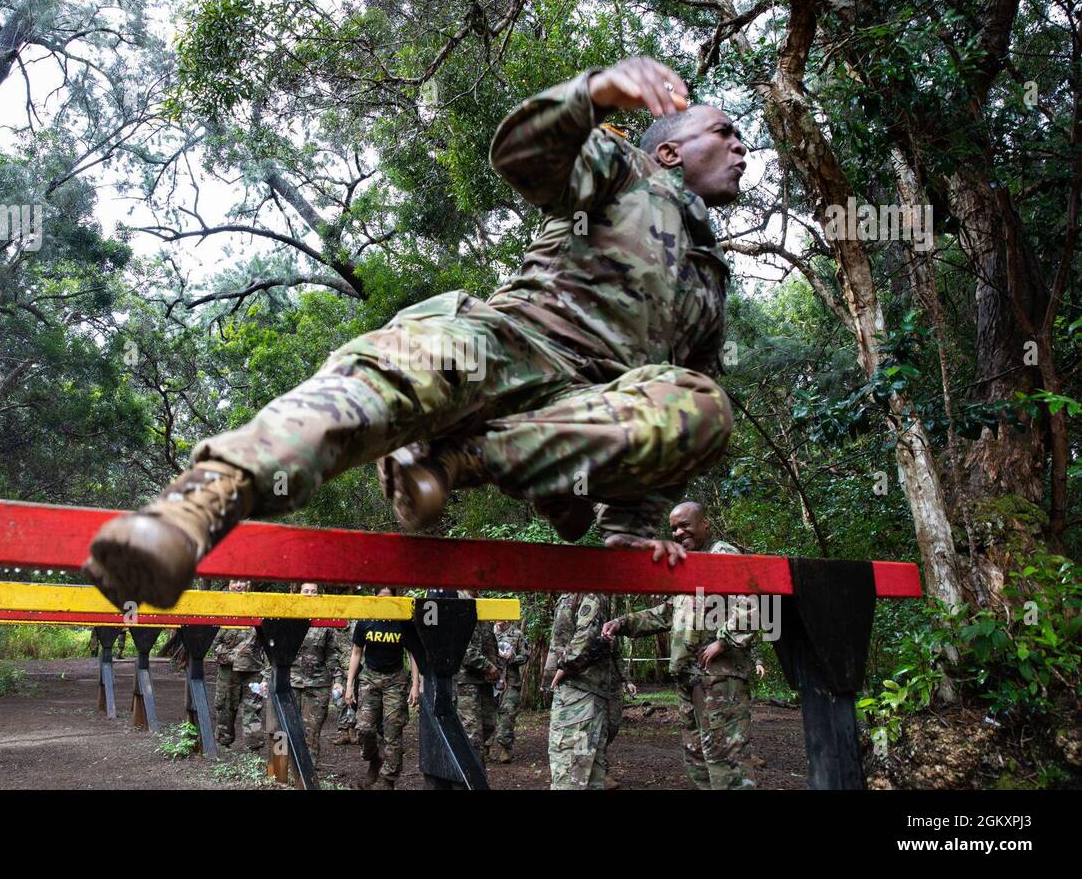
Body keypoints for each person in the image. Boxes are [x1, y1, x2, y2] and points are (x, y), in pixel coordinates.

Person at [83, 55, 741, 611]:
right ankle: (193, 510)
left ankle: (451, 462)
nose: (741, 147)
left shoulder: (712, 278)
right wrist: (593, 92)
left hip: (576, 416)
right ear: (670, 148)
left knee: (707, 406)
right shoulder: (626, 169)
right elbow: (522, 155)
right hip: (514, 341)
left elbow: (674, 409)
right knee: (404, 369)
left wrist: (630, 527)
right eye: (725, 131)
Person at [602, 501, 760, 789]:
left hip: (719, 679)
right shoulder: (689, 565)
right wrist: (622, 623)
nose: (678, 532)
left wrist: (723, 642)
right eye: (673, 528)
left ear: (704, 524)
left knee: (727, 759)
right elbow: (667, 613)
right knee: (697, 757)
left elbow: (752, 603)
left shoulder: (722, 554)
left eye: (685, 525)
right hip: (690, 678)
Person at [346, 589, 420, 789]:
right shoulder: (366, 620)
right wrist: (349, 685)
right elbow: (356, 652)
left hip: (395, 680)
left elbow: (413, 654)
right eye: (380, 599)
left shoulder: (403, 622)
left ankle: (388, 780)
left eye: (388, 599)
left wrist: (415, 684)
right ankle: (373, 759)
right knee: (363, 728)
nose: (384, 603)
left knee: (393, 731)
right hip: (370, 677)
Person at [545, 591, 618, 789]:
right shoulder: (576, 591)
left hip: (579, 694)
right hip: (581, 693)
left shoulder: (589, 591)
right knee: (589, 774)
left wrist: (566, 665)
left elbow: (587, 634)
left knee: (570, 774)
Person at [274, 582, 345, 764]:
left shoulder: (324, 621)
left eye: (314, 591)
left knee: (311, 730)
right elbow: (275, 650)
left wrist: (337, 679)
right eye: (306, 591)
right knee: (284, 726)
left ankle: (308, 771)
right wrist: (269, 676)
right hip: (289, 681)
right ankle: (282, 769)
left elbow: (331, 654)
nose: (310, 594)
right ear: (298, 593)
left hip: (318, 684)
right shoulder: (286, 618)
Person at [212, 580, 266, 751]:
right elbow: (213, 643)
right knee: (225, 705)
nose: (238, 585)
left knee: (253, 707)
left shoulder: (257, 606)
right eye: (234, 582)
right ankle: (223, 743)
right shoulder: (220, 608)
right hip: (228, 670)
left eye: (242, 581)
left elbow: (266, 638)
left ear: (249, 584)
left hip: (254, 669)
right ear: (229, 585)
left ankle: (254, 746)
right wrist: (233, 657)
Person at [454, 589, 501, 758]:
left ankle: (476, 767)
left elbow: (490, 640)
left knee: (488, 726)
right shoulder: (458, 599)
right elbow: (463, 647)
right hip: (466, 679)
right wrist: (488, 666)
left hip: (486, 679)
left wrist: (497, 668)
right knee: (471, 733)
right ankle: (471, 777)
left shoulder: (482, 601)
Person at [489, 619, 529, 763]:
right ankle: (485, 749)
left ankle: (504, 749)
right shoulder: (488, 632)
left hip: (511, 681)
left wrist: (512, 658)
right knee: (487, 713)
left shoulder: (517, 634)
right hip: (490, 680)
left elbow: (525, 656)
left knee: (507, 714)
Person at [331, 618, 359, 745]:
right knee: (339, 701)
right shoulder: (331, 630)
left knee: (355, 700)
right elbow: (331, 653)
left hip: (357, 670)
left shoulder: (355, 626)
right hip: (339, 671)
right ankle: (344, 732)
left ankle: (353, 729)